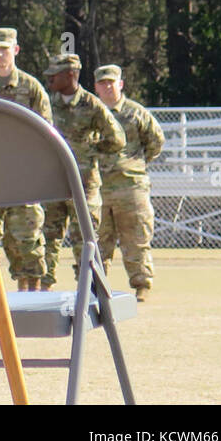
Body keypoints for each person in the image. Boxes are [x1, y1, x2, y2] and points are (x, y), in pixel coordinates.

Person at [0, 27, 51, 291]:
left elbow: (47, 129)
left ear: (16, 50)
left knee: (26, 236)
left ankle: (31, 291)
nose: (1, 54)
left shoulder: (31, 87)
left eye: (5, 49)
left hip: (22, 174)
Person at [42, 53, 124, 290]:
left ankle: (87, 288)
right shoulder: (49, 103)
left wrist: (91, 151)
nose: (50, 81)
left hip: (84, 183)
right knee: (49, 236)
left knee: (85, 239)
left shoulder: (91, 105)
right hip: (53, 182)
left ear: (70, 75)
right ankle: (45, 286)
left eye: (54, 76)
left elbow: (117, 138)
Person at [93, 64, 164, 301]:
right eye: (102, 83)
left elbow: (155, 141)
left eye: (111, 82)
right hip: (99, 187)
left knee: (136, 237)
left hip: (130, 187)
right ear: (96, 87)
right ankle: (97, 287)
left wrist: (135, 165)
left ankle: (141, 285)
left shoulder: (135, 113)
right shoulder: (91, 115)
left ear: (120, 84)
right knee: (98, 240)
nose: (107, 87)